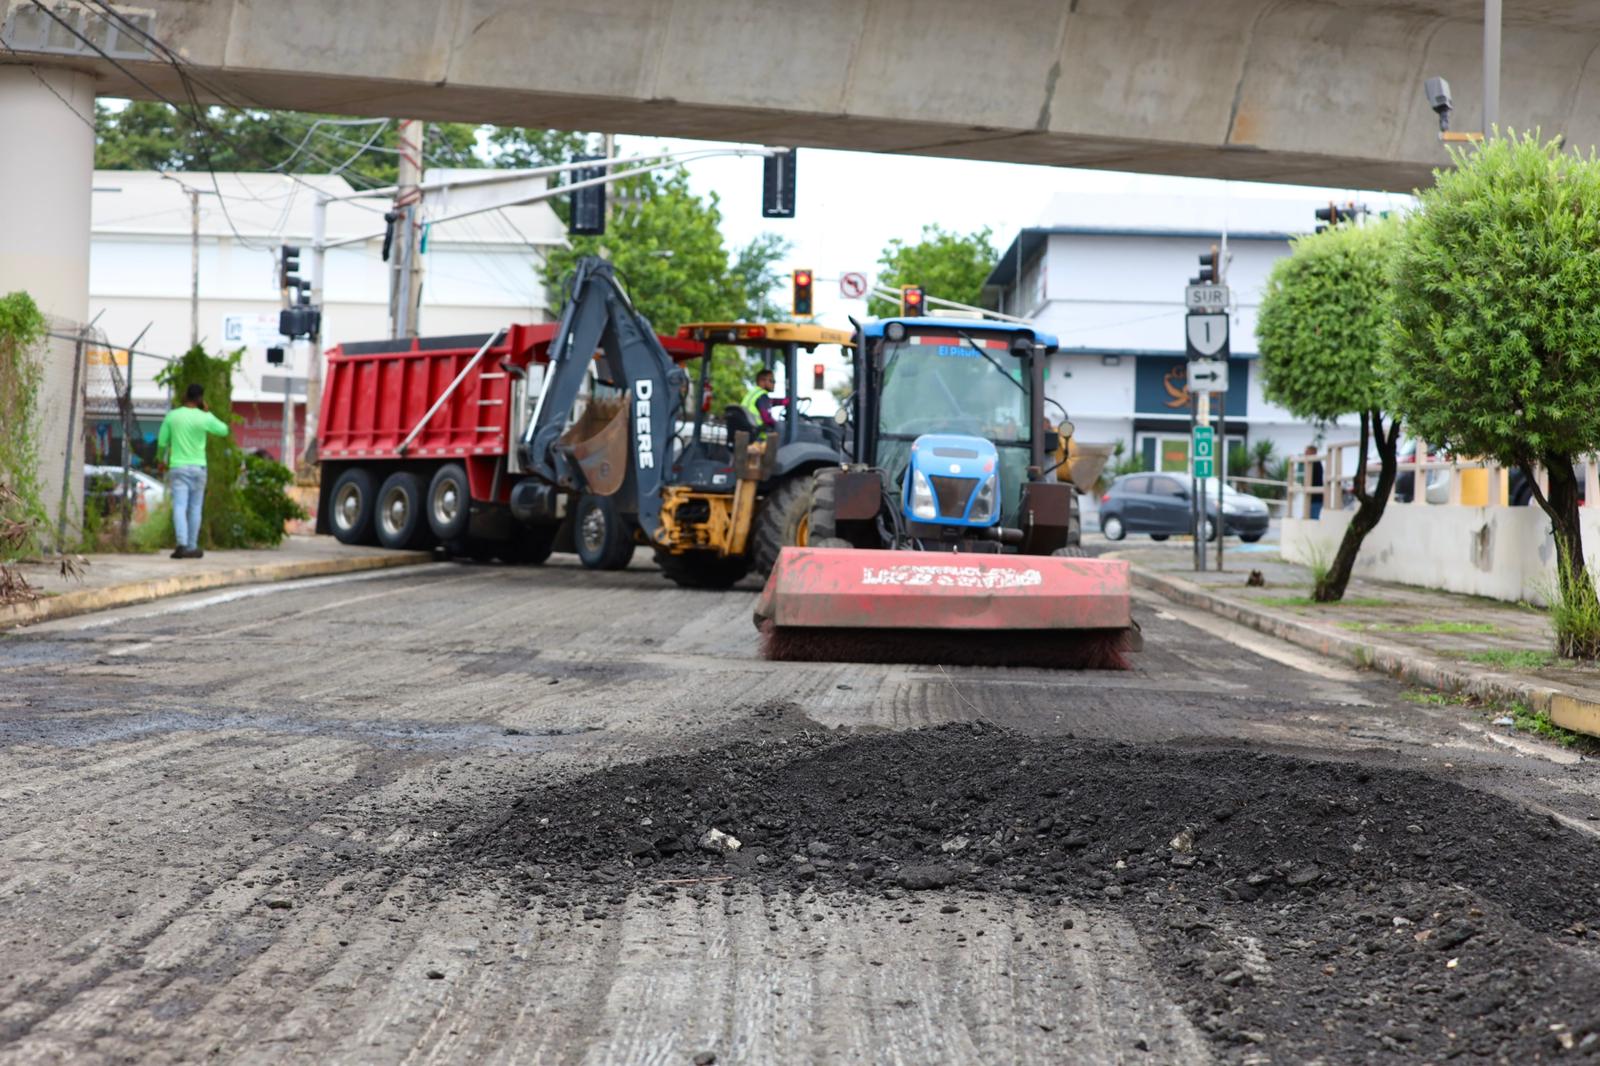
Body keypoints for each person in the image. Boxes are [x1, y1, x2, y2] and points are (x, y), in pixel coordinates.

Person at [157, 383, 230, 559]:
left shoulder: (172, 416)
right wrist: (207, 412)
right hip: (199, 468)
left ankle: (181, 544)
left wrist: (161, 460)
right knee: (195, 507)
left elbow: (161, 443)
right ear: (200, 399)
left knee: (180, 506)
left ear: (185, 396)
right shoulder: (203, 417)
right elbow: (224, 430)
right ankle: (192, 546)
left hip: (178, 467)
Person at [740, 368, 789, 436]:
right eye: (772, 381)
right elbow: (767, 419)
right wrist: (777, 423)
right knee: (781, 427)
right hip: (757, 435)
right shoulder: (762, 396)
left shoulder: (753, 393)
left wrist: (791, 401)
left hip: (747, 431)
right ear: (761, 381)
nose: (774, 384)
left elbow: (774, 401)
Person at [1305, 444, 1325, 519]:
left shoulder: (1315, 463)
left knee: (1313, 518)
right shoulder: (1313, 463)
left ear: (1313, 453)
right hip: (1314, 498)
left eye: (1307, 452)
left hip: (1316, 498)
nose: (1305, 454)